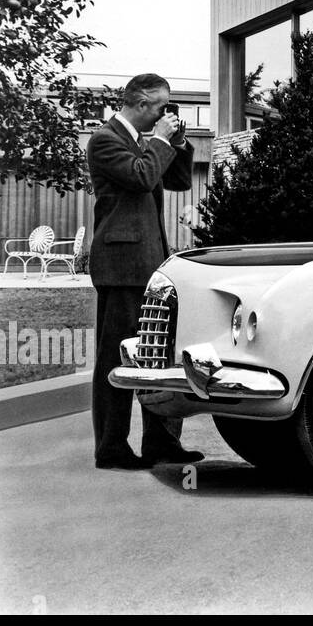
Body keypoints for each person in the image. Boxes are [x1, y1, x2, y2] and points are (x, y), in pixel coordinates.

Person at [88, 74, 203, 470]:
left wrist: (179, 144)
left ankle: (161, 443)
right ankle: (111, 448)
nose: (165, 114)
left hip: (150, 265)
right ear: (139, 104)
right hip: (121, 268)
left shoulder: (143, 143)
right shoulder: (104, 140)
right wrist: (158, 142)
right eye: (160, 107)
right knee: (115, 359)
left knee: (157, 357)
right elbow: (142, 177)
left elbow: (175, 180)